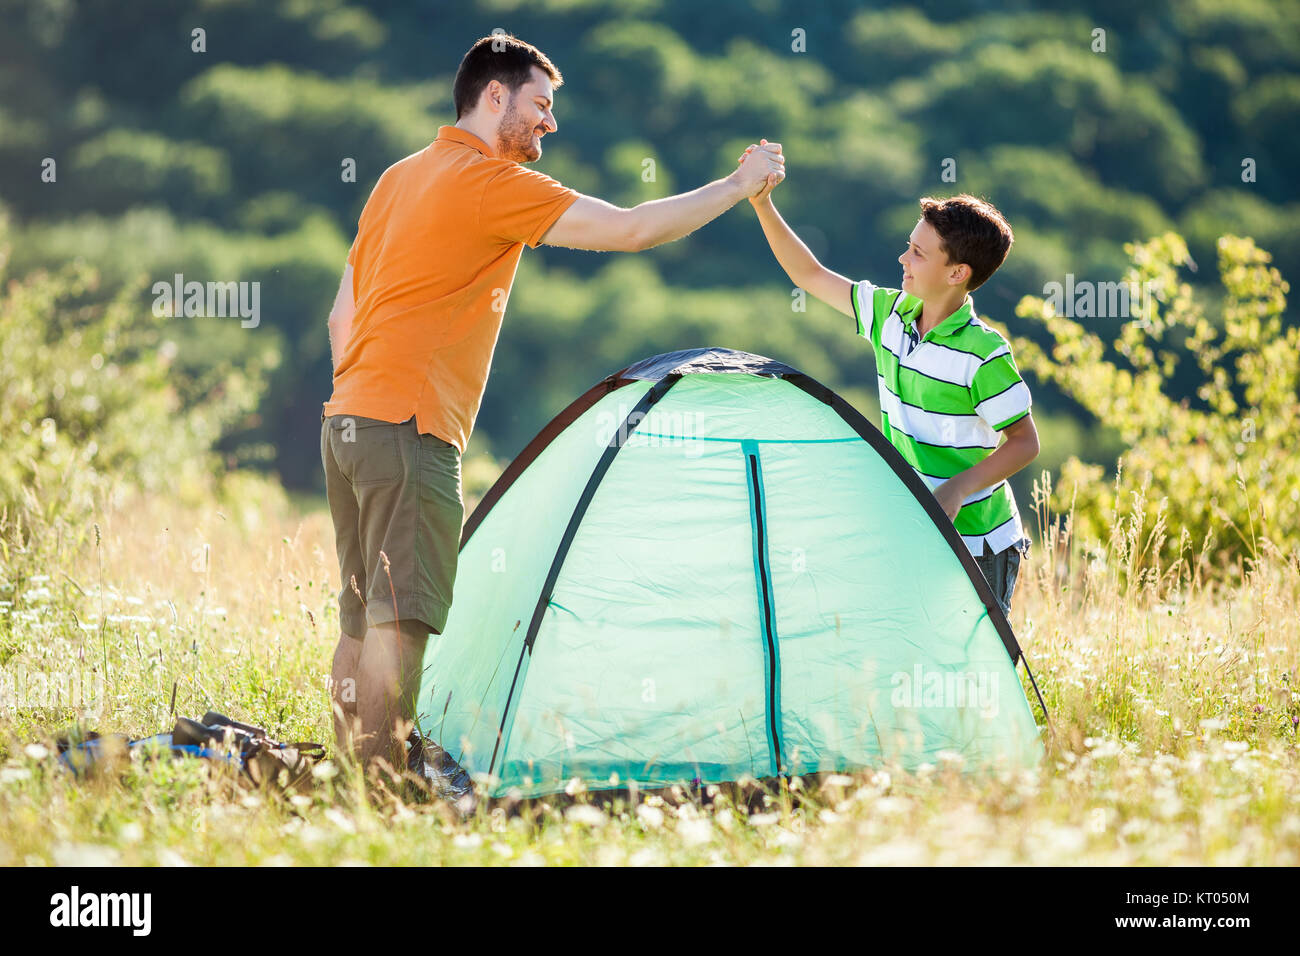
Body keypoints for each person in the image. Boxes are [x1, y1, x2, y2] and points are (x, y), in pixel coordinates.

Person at [321, 34, 786, 778]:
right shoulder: (488, 182)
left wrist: (370, 390)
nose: (550, 123)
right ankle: (378, 792)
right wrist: (737, 186)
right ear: (494, 96)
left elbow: (341, 319)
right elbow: (631, 229)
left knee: (359, 618)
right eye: (540, 104)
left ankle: (340, 780)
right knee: (400, 621)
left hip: (347, 420)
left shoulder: (397, 178)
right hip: (409, 427)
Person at [741, 145, 1038, 617]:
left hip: (980, 543)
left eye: (918, 253)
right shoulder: (889, 315)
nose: (903, 258)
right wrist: (762, 203)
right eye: (909, 244)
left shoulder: (984, 354)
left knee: (968, 675)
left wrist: (958, 488)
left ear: (957, 273)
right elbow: (809, 274)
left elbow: (1025, 443)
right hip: (911, 523)